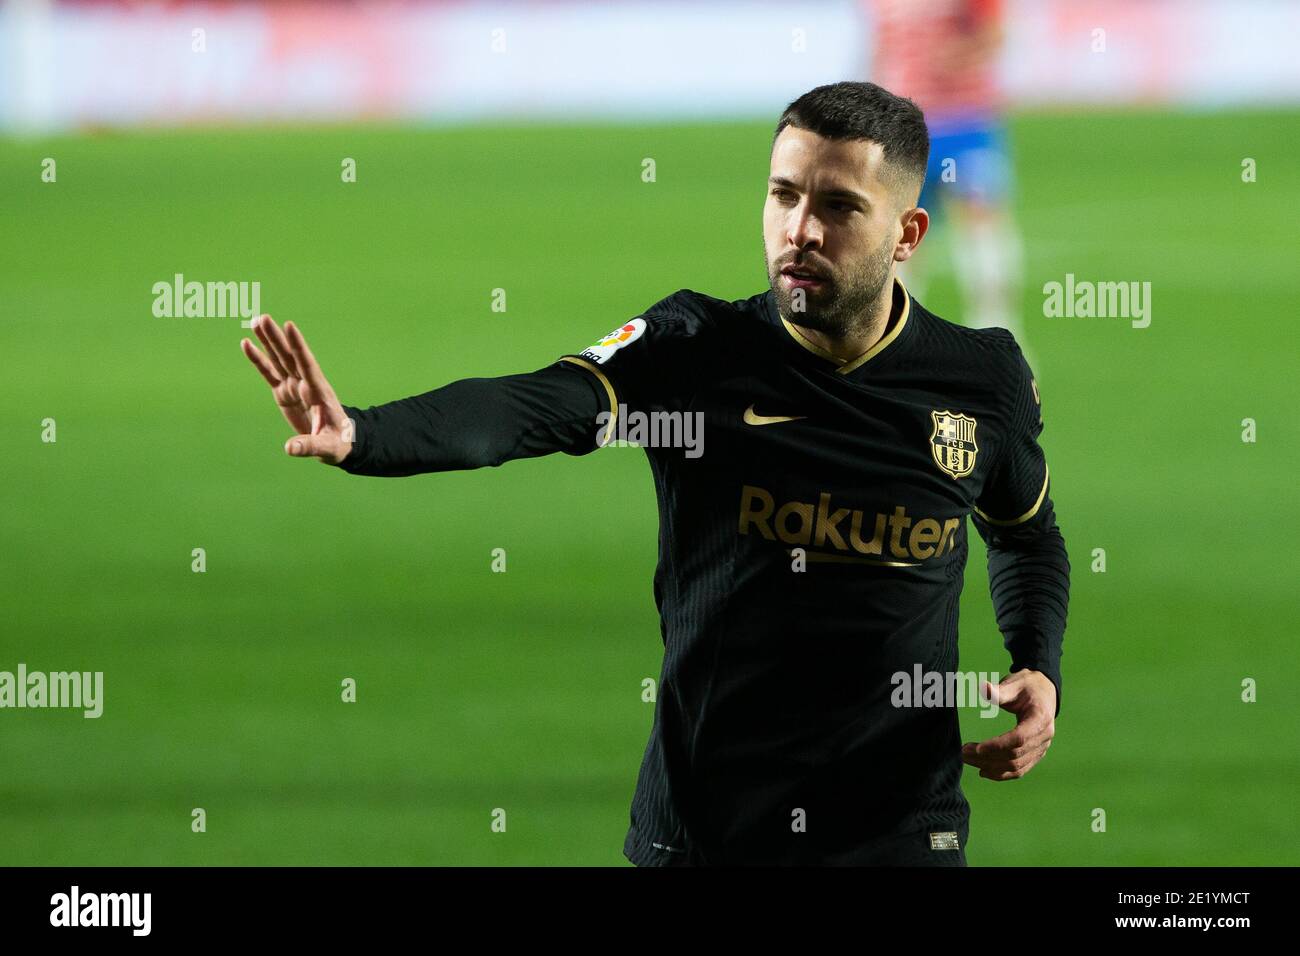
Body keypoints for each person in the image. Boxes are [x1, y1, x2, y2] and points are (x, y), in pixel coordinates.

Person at [241, 81, 1070, 866]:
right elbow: (538, 406)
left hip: (901, 832)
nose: (799, 231)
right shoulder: (697, 351)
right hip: (710, 830)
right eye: (783, 195)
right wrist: (366, 433)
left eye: (838, 207)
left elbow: (1027, 537)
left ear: (908, 235)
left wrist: (1038, 665)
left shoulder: (981, 380)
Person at [867, 0, 1027, 347]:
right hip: (906, 128)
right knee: (901, 237)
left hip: (965, 119)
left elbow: (995, 34)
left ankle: (999, 335)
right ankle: (896, 341)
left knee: (981, 220)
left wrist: (956, 58)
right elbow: (880, 47)